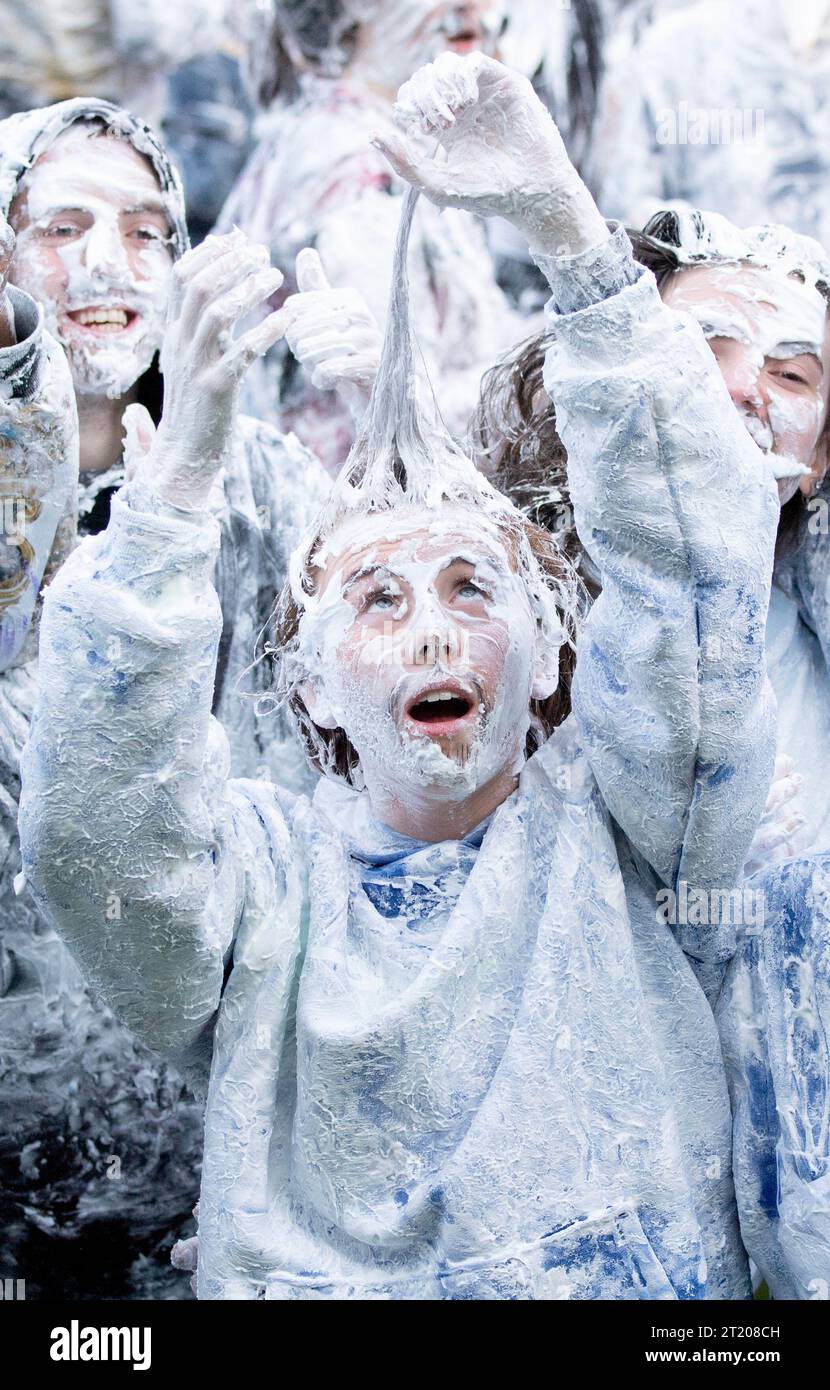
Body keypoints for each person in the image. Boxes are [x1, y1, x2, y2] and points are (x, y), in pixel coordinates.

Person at [21, 49, 791, 1298]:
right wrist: (175, 492)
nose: (431, 630)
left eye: (470, 588)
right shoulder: (262, 885)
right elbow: (101, 840)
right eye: (376, 597)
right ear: (310, 680)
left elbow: (693, 583)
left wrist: (569, 235)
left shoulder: (631, 825)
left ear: (549, 651)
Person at [0, 98, 322, 1296]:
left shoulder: (265, 488)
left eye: (146, 232)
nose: (106, 265)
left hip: (207, 1150)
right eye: (60, 226)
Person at [216, 0, 532, 471]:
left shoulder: (377, 138)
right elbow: (412, 422)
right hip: (378, 516)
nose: (472, 7)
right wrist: (546, 379)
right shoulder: (360, 176)